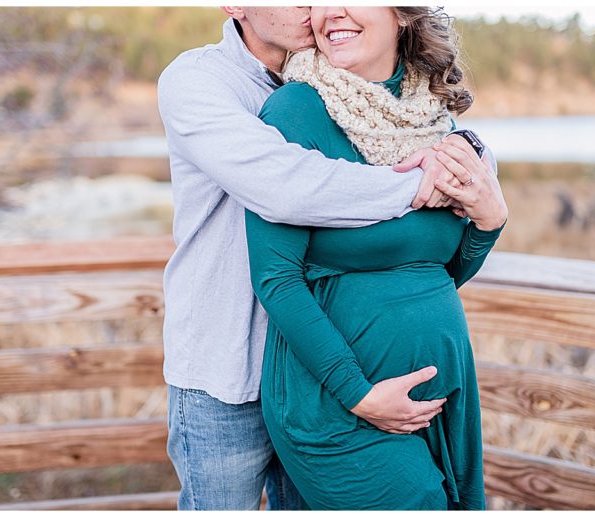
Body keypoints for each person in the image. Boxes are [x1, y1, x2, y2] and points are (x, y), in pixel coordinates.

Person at [157, 6, 497, 510]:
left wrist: (481, 198)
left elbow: (420, 252)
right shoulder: (202, 82)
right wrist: (423, 183)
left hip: (328, 369)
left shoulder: (356, 96)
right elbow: (286, 188)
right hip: (229, 371)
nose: (310, 5)